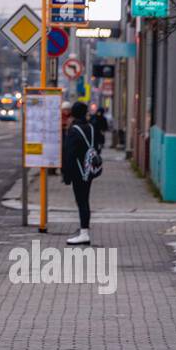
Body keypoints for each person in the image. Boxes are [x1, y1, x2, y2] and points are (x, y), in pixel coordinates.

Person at [61, 100, 99, 246]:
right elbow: (97, 145)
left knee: (81, 201)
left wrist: (66, 175)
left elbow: (69, 154)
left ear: (73, 113)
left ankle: (84, 233)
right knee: (85, 199)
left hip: (78, 171)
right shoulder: (91, 127)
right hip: (89, 169)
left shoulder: (74, 130)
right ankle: (84, 230)